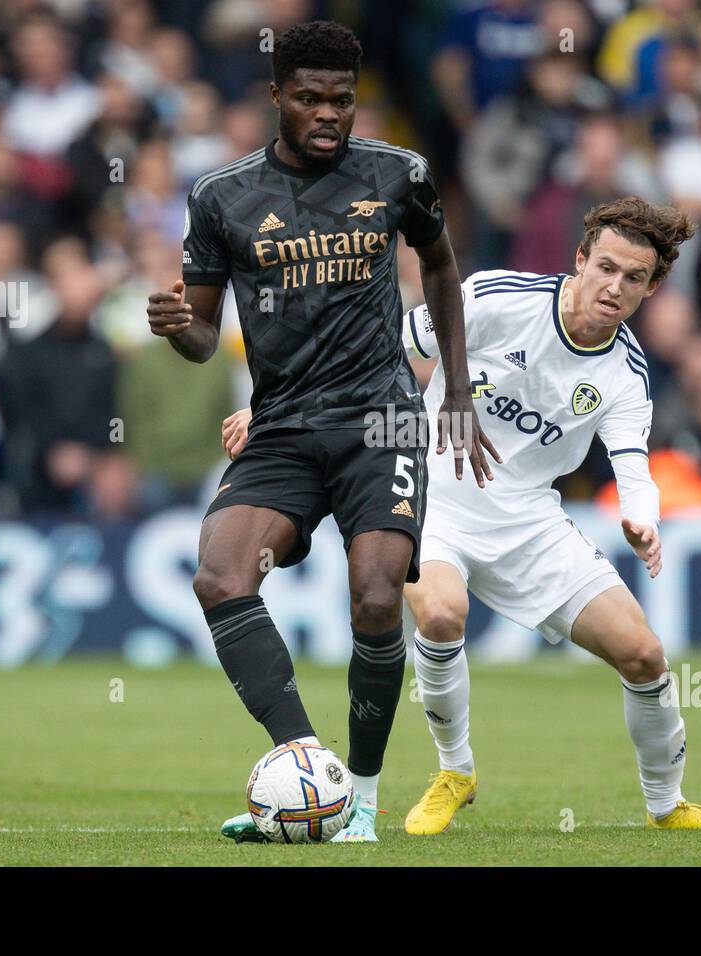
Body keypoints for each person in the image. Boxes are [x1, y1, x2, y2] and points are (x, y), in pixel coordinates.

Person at [224, 198, 701, 837]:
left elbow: (632, 462)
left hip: (529, 520)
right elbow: (373, 340)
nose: (614, 288)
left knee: (644, 655)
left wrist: (642, 518)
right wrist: (277, 409)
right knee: (442, 614)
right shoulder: (500, 298)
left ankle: (668, 806)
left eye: (633, 278)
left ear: (652, 287)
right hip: (430, 492)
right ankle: (456, 772)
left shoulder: (626, 371)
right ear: (580, 260)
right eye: (606, 268)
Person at [144, 21, 495, 844]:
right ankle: (308, 768)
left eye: (341, 99)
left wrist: (457, 386)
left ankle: (362, 805)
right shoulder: (221, 197)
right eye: (309, 98)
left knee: (377, 598)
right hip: (282, 425)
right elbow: (201, 337)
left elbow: (440, 265)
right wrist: (176, 328)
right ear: (276, 98)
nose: (328, 113)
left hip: (378, 420)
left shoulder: (397, 173)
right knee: (220, 578)